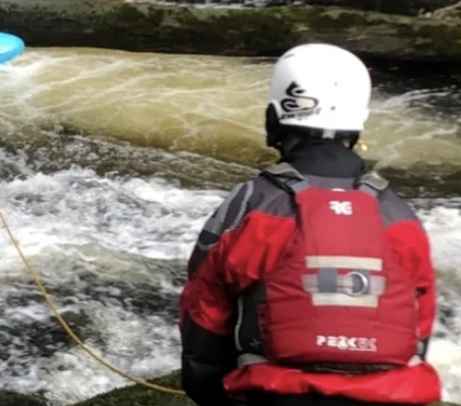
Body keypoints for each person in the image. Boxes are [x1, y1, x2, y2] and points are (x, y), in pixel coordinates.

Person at [179, 43, 441, 406]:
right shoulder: (398, 214)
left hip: (274, 394)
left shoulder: (252, 204)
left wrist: (208, 391)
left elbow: (204, 310)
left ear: (276, 117)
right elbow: (420, 323)